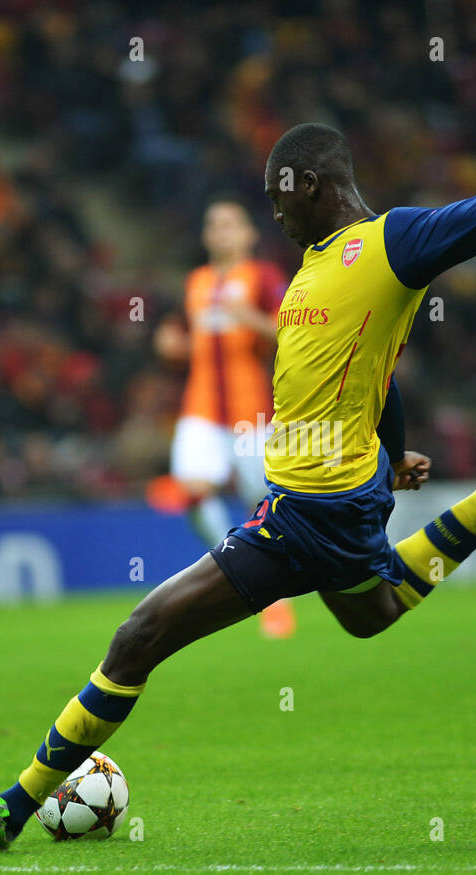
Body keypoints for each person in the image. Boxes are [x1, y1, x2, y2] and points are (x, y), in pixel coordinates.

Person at [0, 76, 476, 851]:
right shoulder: (314, 266)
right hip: (319, 502)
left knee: (141, 634)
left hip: (315, 509)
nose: (274, 211)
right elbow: (380, 371)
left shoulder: (391, 243)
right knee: (374, 612)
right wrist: (393, 454)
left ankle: (8, 811)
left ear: (319, 187)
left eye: (279, 196)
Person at [154, 198, 296, 637]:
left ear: (249, 234)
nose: (221, 232)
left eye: (230, 224)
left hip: (251, 410)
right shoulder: (195, 282)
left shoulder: (264, 276)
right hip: (199, 408)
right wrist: (169, 342)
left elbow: (294, 330)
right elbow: (180, 332)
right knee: (192, 490)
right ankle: (233, 572)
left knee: (264, 504)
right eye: (213, 224)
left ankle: (275, 592)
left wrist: (251, 320)